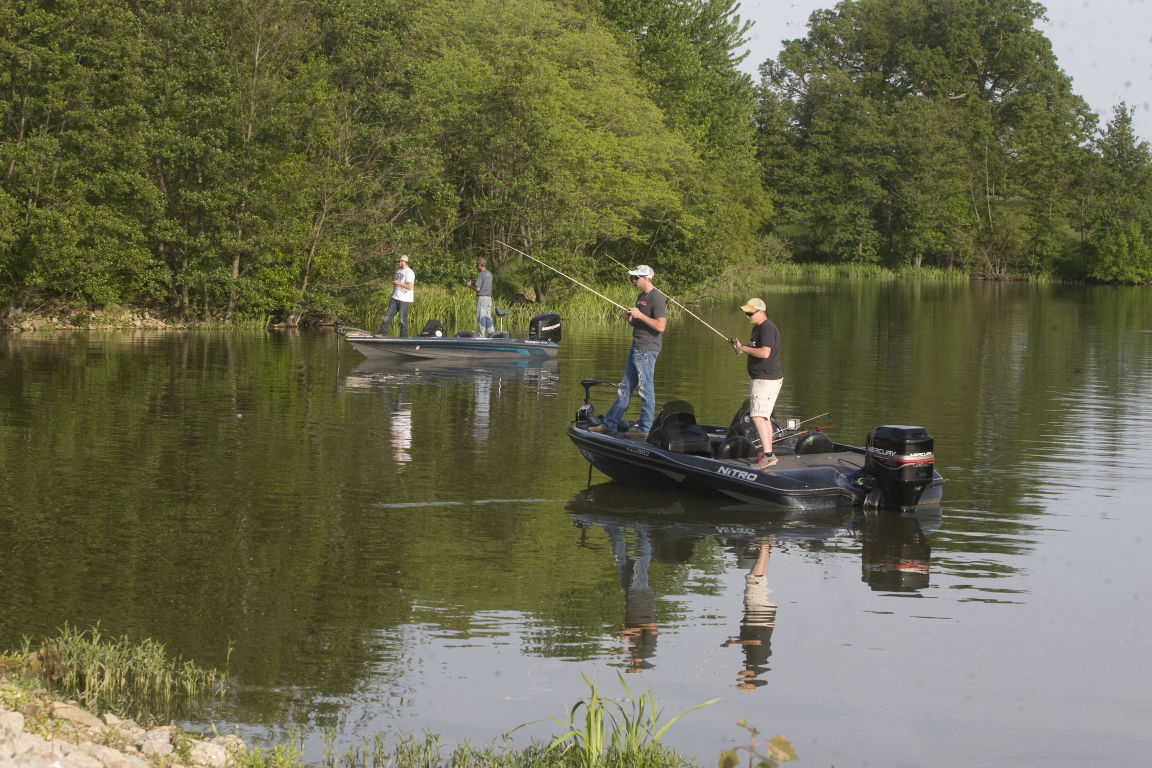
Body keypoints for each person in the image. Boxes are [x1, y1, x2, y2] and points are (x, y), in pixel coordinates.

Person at [589, 265, 667, 438]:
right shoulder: (641, 297)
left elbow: (661, 326)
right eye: (632, 277)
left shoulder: (656, 297)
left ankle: (644, 429)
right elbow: (639, 323)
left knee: (646, 390)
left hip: (647, 350)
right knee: (624, 389)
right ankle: (609, 425)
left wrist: (640, 315)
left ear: (645, 278)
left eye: (635, 278)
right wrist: (630, 319)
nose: (633, 281)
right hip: (636, 347)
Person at [731, 298, 783, 469]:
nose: (747, 316)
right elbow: (756, 350)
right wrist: (741, 348)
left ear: (761, 312)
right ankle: (768, 454)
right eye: (746, 313)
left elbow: (765, 353)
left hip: (765, 379)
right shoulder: (757, 328)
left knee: (757, 416)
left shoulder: (767, 328)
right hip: (763, 378)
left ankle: (768, 456)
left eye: (750, 313)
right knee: (764, 416)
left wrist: (744, 348)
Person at [379, 255, 415, 337]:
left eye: (399, 261)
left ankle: (403, 338)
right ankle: (382, 334)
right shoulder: (399, 271)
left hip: (404, 299)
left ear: (404, 261)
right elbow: (395, 285)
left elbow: (410, 287)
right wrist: (392, 295)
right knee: (388, 316)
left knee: (402, 319)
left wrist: (399, 283)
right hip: (395, 298)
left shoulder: (409, 272)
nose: (398, 263)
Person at [467, 257, 494, 337]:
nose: (477, 266)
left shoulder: (481, 274)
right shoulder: (490, 274)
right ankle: (492, 334)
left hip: (482, 299)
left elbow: (478, 288)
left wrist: (470, 286)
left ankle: (481, 336)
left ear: (480, 265)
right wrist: (475, 283)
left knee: (481, 317)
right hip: (489, 298)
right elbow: (485, 284)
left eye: (477, 265)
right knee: (488, 317)